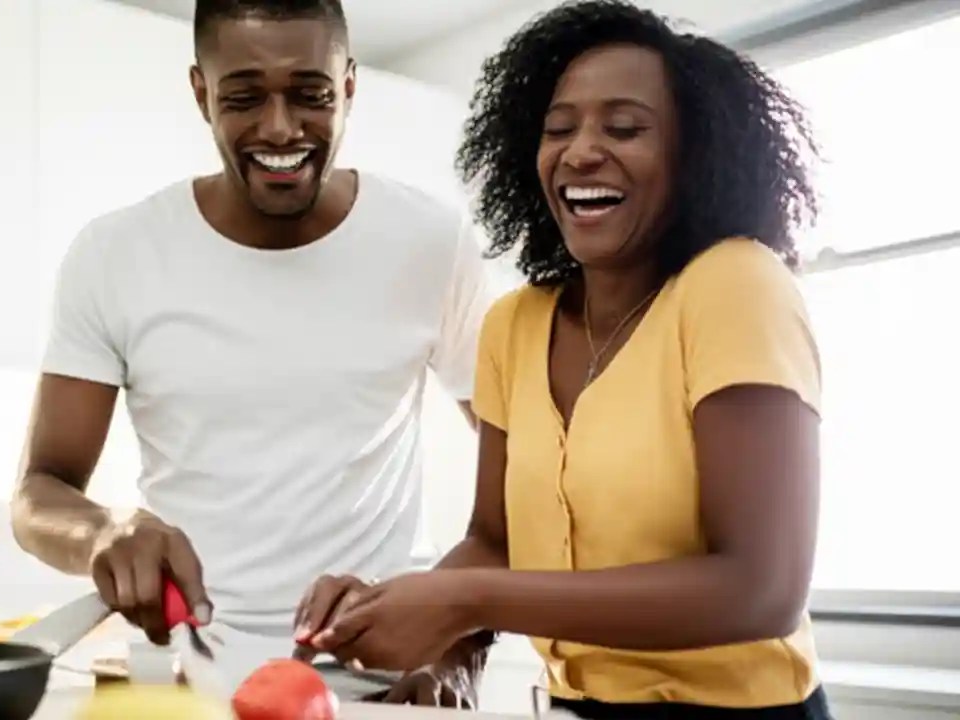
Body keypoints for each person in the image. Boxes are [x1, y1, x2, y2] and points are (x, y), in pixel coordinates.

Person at [296, 1, 835, 717]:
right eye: (558, 129)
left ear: (692, 158)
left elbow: (761, 590)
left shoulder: (734, 285)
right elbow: (493, 542)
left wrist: (465, 601)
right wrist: (397, 612)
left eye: (625, 128)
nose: (580, 150)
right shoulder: (514, 325)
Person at [9, 0, 495, 699]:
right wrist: (102, 532)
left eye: (311, 94)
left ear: (350, 87)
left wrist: (463, 637)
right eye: (242, 97)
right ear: (200, 92)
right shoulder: (115, 254)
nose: (280, 128)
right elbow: (39, 491)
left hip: (379, 687)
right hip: (183, 687)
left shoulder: (430, 243)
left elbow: (533, 481)